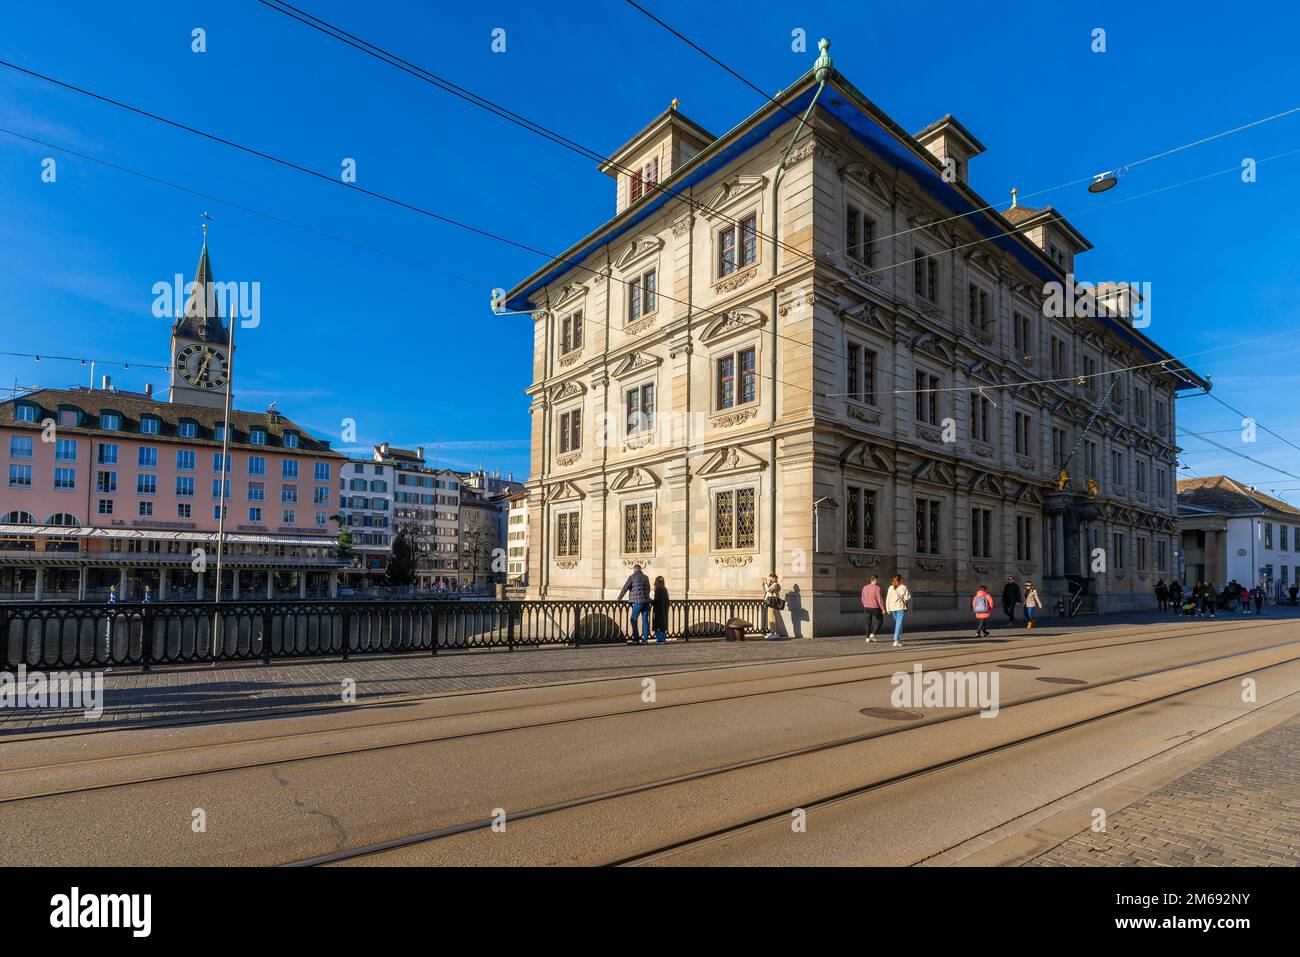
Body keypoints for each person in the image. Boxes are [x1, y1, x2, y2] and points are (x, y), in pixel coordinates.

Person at [617, 563, 652, 644]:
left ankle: (636, 638)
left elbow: (625, 588)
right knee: (645, 621)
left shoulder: (632, 577)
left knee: (633, 620)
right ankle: (645, 640)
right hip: (646, 602)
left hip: (637, 602)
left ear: (634, 570)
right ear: (641, 569)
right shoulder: (646, 577)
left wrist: (620, 598)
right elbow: (648, 589)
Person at [886, 574, 911, 647]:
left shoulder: (890, 587)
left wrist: (888, 608)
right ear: (900, 580)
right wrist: (909, 595)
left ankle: (898, 640)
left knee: (899, 624)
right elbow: (906, 598)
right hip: (900, 607)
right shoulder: (903, 587)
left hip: (892, 608)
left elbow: (888, 599)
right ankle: (895, 639)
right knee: (899, 624)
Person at [860, 574, 884, 643]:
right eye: (877, 579)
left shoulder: (865, 587)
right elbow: (880, 599)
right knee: (880, 621)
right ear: (875, 580)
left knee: (867, 623)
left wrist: (865, 604)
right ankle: (872, 634)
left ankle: (867, 638)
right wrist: (883, 608)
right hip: (875, 607)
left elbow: (862, 598)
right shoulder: (877, 588)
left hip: (866, 607)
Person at [763, 573, 783, 640]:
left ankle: (772, 633)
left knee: (771, 617)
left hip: (772, 603)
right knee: (774, 617)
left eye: (771, 578)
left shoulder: (775, 584)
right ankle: (776, 633)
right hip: (773, 603)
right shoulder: (775, 584)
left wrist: (765, 583)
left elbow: (768, 590)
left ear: (774, 578)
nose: (770, 580)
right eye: (770, 579)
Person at [651, 575, 669, 645]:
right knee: (663, 625)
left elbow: (656, 600)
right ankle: (663, 639)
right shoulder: (665, 589)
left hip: (657, 611)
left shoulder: (658, 589)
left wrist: (651, 601)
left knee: (657, 625)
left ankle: (660, 640)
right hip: (664, 610)